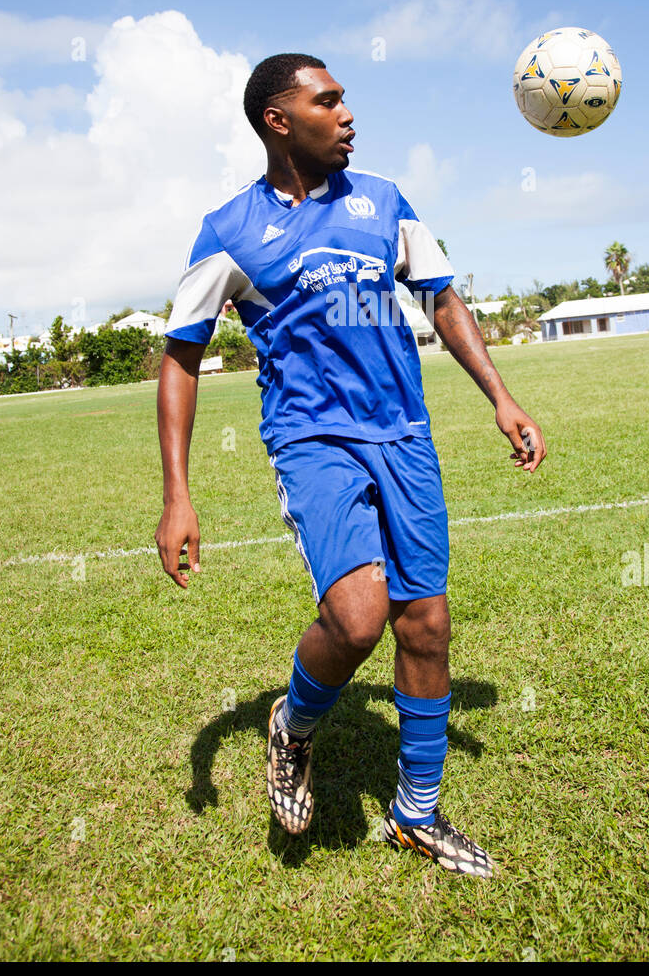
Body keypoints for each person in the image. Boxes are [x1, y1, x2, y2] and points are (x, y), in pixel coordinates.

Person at [155, 53, 546, 877]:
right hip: (312, 439)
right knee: (361, 617)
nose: (347, 114)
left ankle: (416, 813)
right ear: (278, 120)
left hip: (402, 433)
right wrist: (179, 496)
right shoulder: (229, 231)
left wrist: (501, 398)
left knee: (428, 625)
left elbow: (441, 296)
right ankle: (291, 730)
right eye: (326, 101)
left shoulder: (384, 201)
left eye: (345, 99)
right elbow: (180, 359)